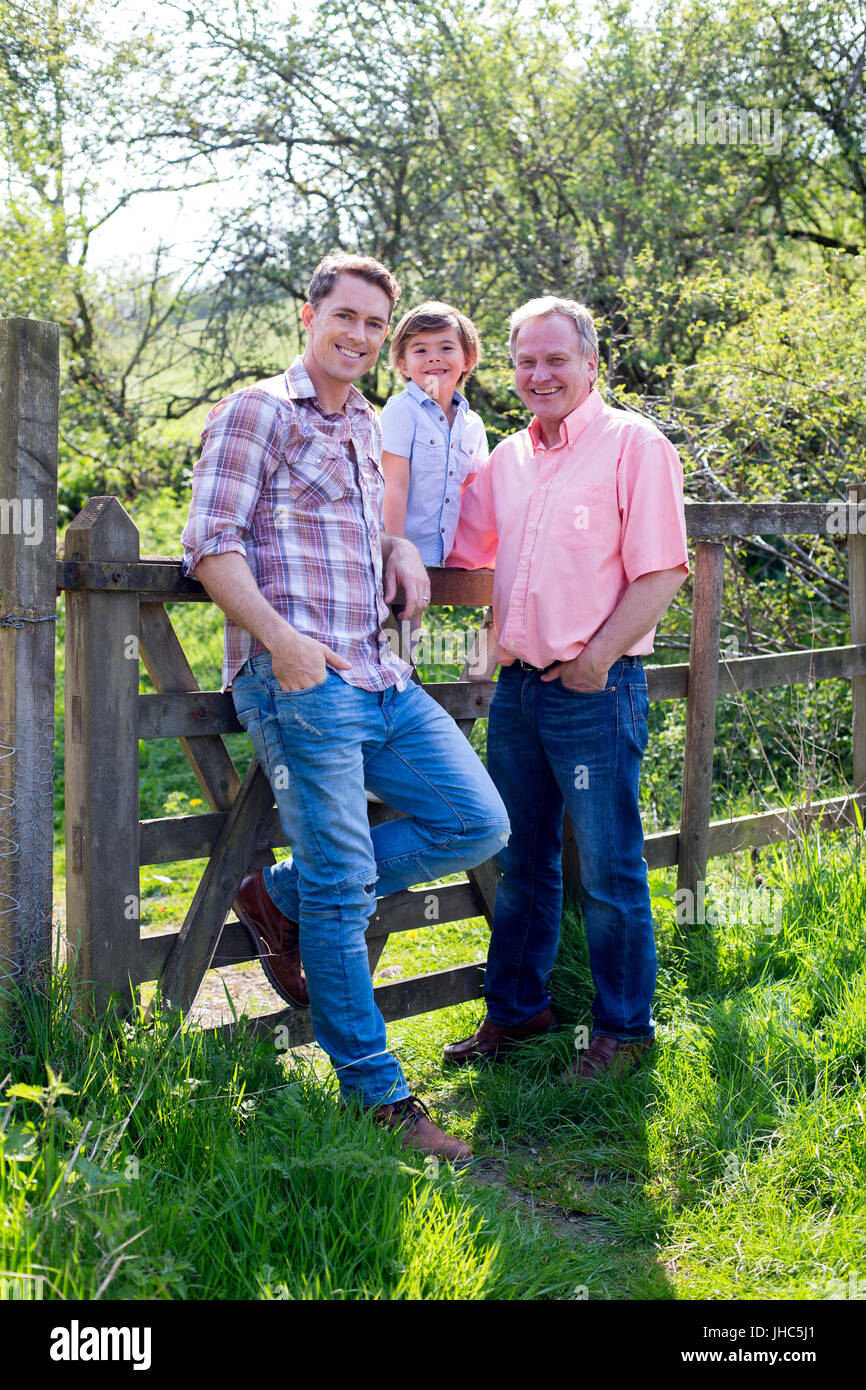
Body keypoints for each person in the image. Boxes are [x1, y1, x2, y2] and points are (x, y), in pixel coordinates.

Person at [180, 252, 511, 1159]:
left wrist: (401, 549)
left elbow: (362, 527)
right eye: (348, 318)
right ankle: (379, 1100)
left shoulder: (368, 422)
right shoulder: (256, 412)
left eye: (376, 325)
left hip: (380, 675)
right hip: (300, 681)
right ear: (308, 315)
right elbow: (209, 545)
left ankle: (276, 896)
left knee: (479, 821)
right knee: (342, 890)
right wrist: (282, 644)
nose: (361, 337)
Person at [442, 296, 689, 1081]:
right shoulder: (507, 460)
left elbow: (663, 570)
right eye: (525, 362)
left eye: (555, 359)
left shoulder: (633, 445)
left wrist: (598, 658)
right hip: (516, 691)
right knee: (519, 860)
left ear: (590, 364)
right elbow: (457, 549)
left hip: (596, 687)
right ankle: (519, 1014)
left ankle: (624, 1033)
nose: (539, 374)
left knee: (612, 868)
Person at [379, 300, 489, 663]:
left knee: (411, 631)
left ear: (467, 359)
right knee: (391, 632)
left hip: (445, 558)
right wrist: (395, 551)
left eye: (446, 347)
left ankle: (400, 693)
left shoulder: (472, 425)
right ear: (402, 364)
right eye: (420, 349)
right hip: (397, 551)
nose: (433, 358)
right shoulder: (401, 411)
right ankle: (392, 691)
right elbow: (393, 486)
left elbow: (475, 494)